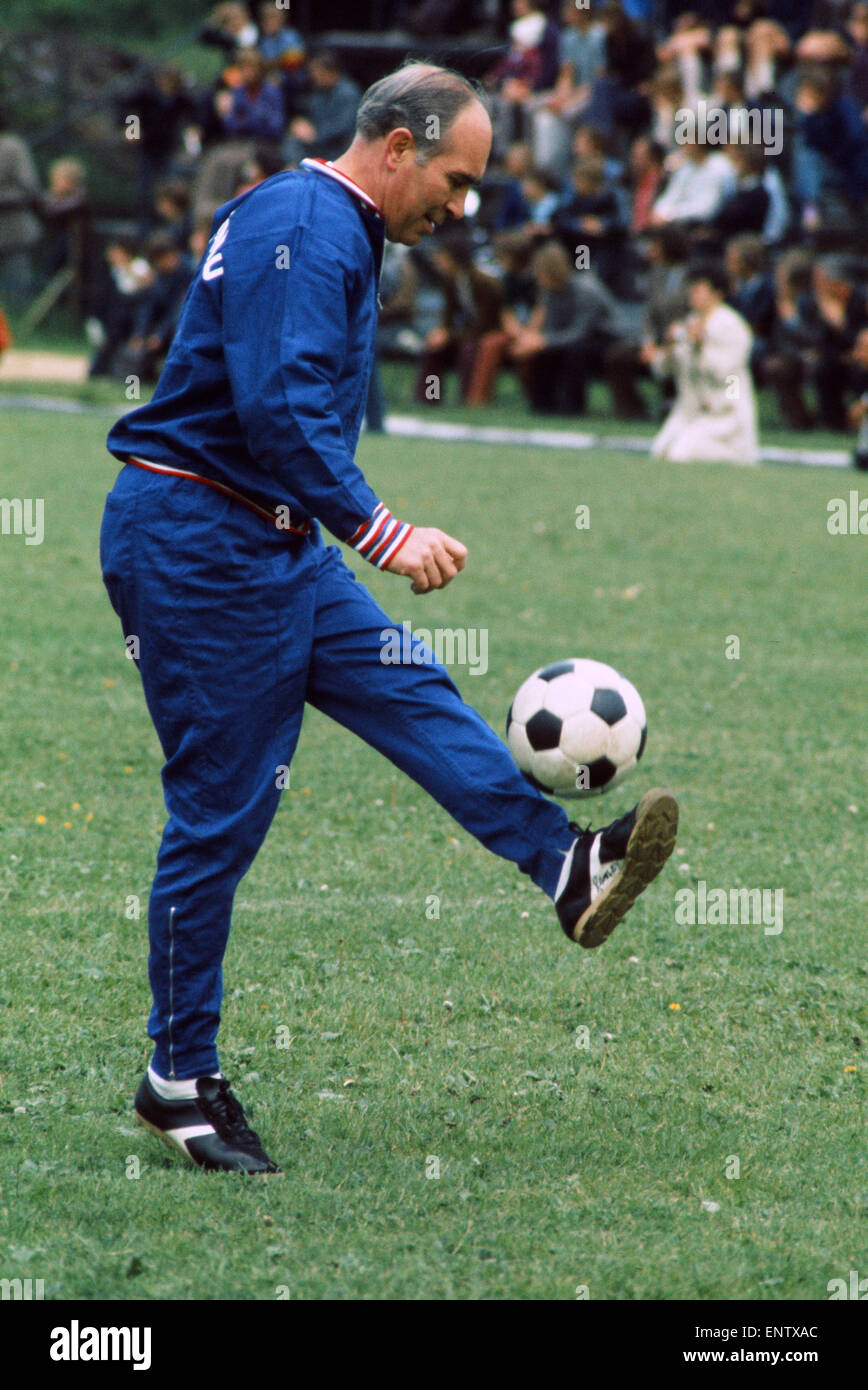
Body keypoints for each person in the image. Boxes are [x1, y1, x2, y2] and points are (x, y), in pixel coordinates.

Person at [100, 62, 678, 1176]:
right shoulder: (310, 222)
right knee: (221, 813)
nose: (462, 208)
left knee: (408, 688)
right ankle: (177, 1075)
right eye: (455, 180)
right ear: (399, 145)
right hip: (200, 540)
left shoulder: (329, 220)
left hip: (261, 534)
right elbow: (277, 409)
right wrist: (383, 531)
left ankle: (566, 869)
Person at [648, 261, 759, 466]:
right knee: (660, 451)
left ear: (717, 293)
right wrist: (667, 348)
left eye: (699, 289)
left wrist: (701, 347)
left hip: (726, 415)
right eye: (692, 288)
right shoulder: (688, 324)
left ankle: (738, 456)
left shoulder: (733, 327)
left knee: (681, 454)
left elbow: (726, 373)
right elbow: (662, 370)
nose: (693, 294)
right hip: (690, 412)